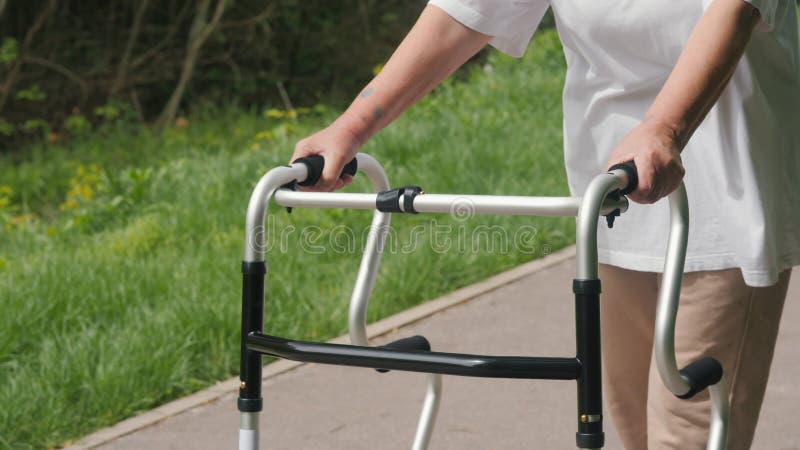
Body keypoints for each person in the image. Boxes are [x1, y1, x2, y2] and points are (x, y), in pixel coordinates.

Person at [290, 0, 800, 448]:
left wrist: (663, 128)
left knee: (686, 432)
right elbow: (463, 16)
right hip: (613, 200)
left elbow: (734, 11)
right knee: (634, 428)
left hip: (725, 203)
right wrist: (351, 126)